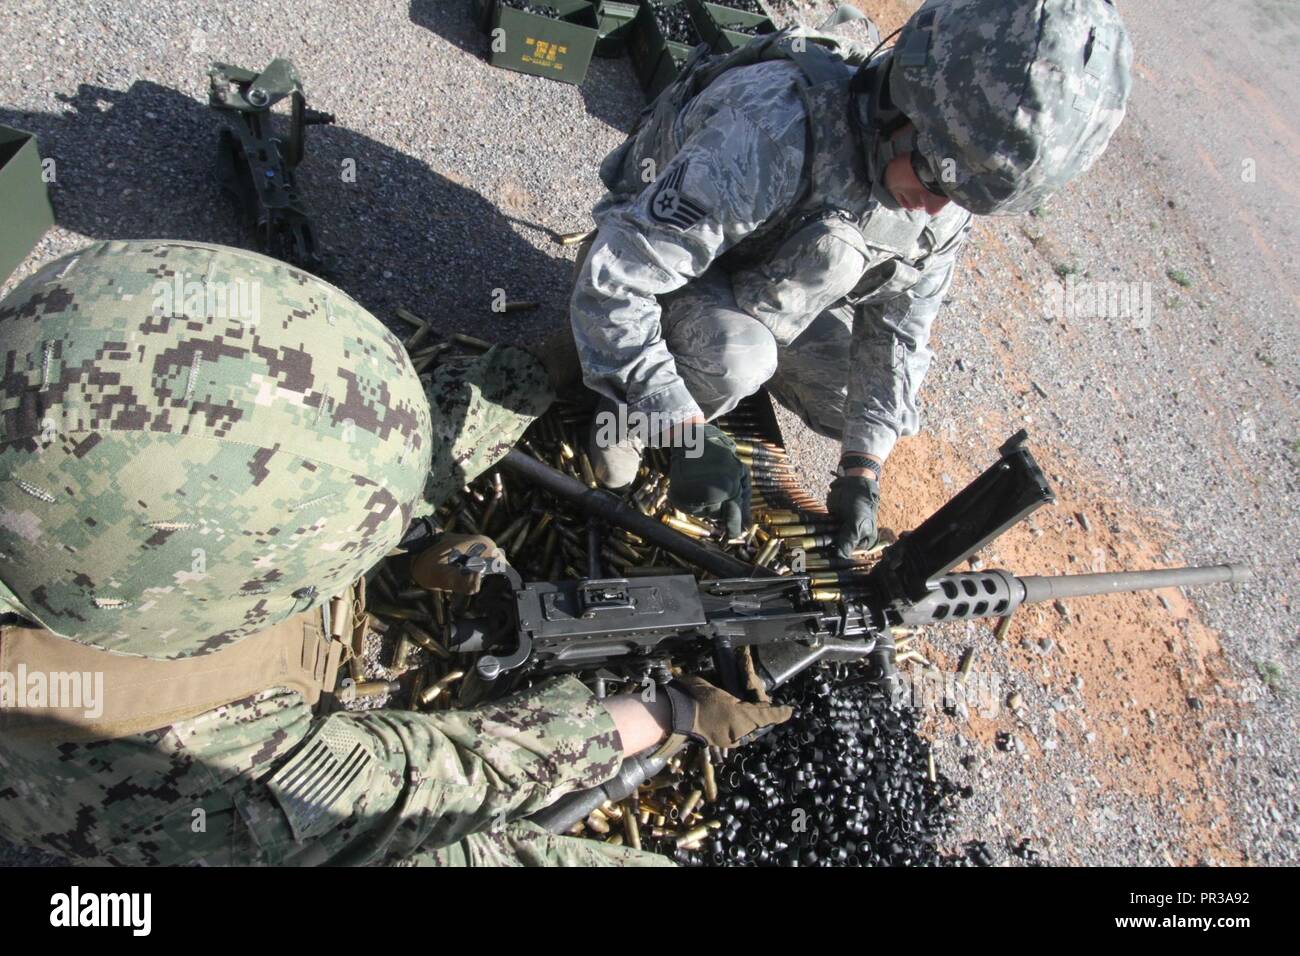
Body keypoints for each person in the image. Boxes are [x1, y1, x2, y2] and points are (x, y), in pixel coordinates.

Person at [0, 240, 788, 866]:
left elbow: (294, 422)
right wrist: (662, 712)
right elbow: (427, 785)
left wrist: (535, 374)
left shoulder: (60, 379)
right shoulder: (178, 767)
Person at [570, 0, 1133, 552]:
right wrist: (680, 432)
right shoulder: (773, 129)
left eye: (958, 194)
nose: (935, 208)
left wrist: (861, 472)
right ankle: (619, 416)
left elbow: (899, 335)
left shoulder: (947, 181)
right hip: (650, 259)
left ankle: (706, 373)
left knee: (856, 403)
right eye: (937, 178)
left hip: (760, 282)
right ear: (901, 109)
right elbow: (617, 283)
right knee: (738, 357)